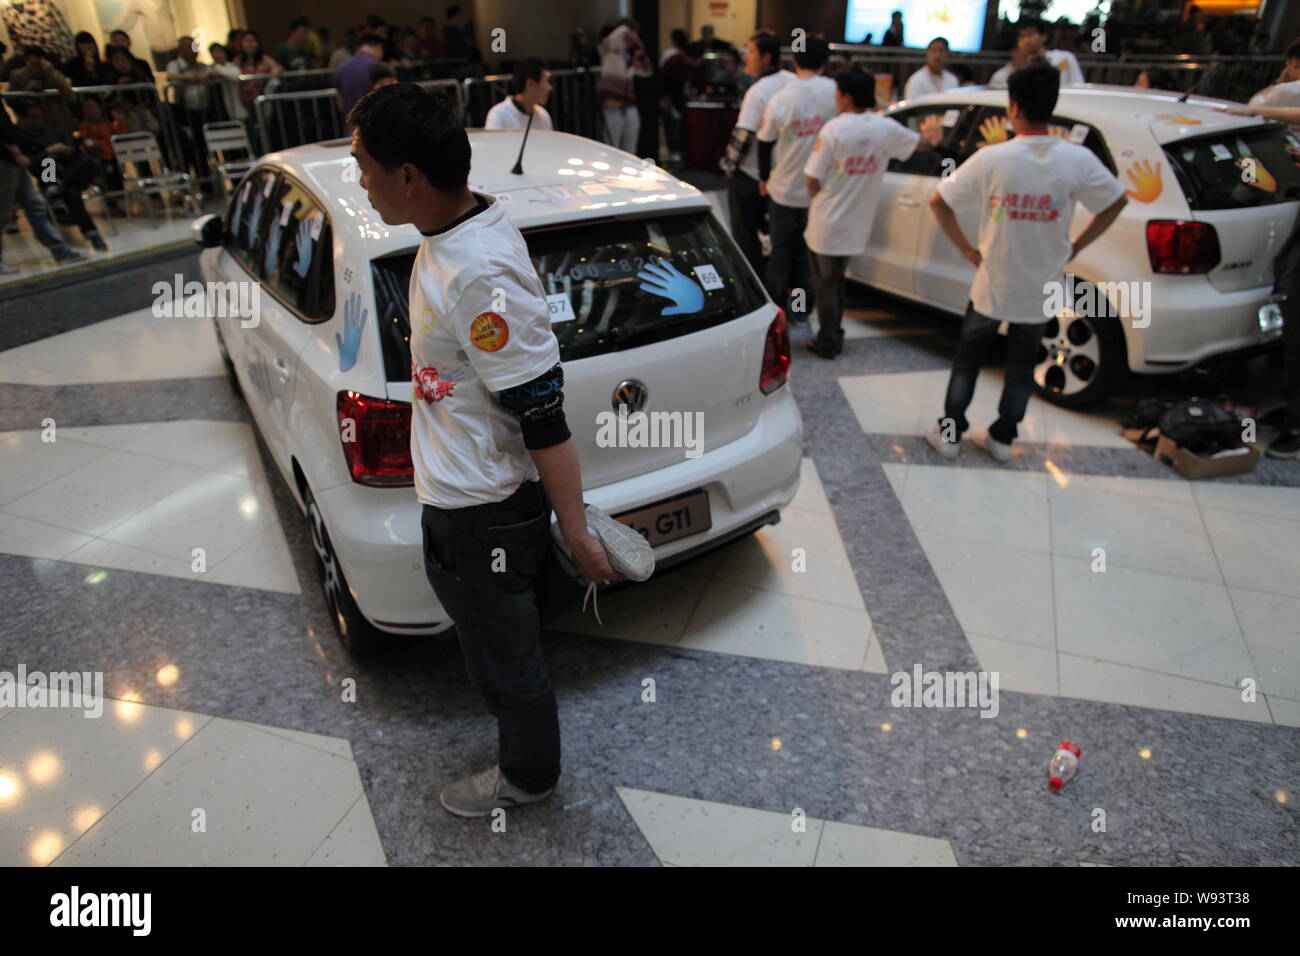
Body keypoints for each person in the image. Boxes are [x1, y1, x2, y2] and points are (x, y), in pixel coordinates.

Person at [347, 83, 619, 816]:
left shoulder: (478, 270)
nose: (361, 182)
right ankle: (524, 751)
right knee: (498, 645)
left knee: (505, 661)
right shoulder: (456, 231)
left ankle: (528, 778)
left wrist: (578, 529)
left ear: (410, 176)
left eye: (366, 167)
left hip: (483, 511)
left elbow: (543, 414)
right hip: (467, 498)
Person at [926, 63, 1125, 461]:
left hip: (991, 282)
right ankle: (1002, 439)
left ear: (1013, 106)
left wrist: (966, 248)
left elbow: (939, 201)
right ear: (1051, 105)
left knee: (968, 362)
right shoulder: (1077, 160)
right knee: (1020, 368)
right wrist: (1076, 246)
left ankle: (950, 435)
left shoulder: (993, 159)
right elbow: (1116, 201)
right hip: (1041, 287)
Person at [804, 70, 942, 358]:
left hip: (827, 220)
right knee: (838, 280)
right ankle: (835, 333)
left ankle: (828, 341)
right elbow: (921, 144)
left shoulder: (834, 129)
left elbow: (812, 177)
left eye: (838, 92)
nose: (835, 98)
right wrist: (934, 136)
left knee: (826, 284)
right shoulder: (884, 128)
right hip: (856, 223)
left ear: (848, 96)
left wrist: (820, 199)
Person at [756, 36, 836, 319]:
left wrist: (763, 177)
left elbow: (764, 142)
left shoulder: (782, 98)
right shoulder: (835, 92)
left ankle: (775, 311)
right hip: (819, 190)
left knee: (779, 252)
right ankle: (801, 310)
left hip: (783, 188)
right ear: (824, 63)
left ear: (795, 62)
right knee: (806, 256)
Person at [719, 32, 793, 277]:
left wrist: (729, 166)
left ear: (766, 57)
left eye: (751, 52)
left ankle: (753, 285)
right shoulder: (792, 81)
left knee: (745, 235)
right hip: (784, 173)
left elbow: (744, 136)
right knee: (781, 237)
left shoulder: (758, 91)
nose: (746, 57)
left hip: (751, 174)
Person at [0, 101, 86, 272]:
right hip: (5, 160)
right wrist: (15, 153)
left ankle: (60, 251)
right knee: (2, 212)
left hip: (11, 159)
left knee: (35, 205)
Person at [13, 98, 107, 252]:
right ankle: (91, 232)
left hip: (67, 171)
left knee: (85, 161)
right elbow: (29, 164)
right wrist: (49, 152)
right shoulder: (19, 137)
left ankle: (60, 184)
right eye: (33, 117)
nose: (38, 121)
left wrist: (65, 150)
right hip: (47, 174)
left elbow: (69, 147)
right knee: (70, 191)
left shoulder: (49, 130)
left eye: (40, 116)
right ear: (22, 118)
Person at [597, 19, 650, 153]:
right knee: (611, 150)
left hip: (629, 105)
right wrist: (625, 31)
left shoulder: (630, 57)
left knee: (630, 151)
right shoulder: (611, 50)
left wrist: (639, 50)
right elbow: (610, 40)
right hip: (613, 106)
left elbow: (646, 71)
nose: (635, 38)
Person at [989, 19, 1084, 87]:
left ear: (1044, 36)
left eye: (1030, 34)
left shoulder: (1064, 58)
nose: (1026, 40)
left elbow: (1079, 87)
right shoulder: (1011, 72)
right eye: (1022, 37)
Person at [484, 58, 553, 131]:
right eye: (546, 81)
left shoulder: (543, 115)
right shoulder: (498, 114)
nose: (549, 88)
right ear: (530, 83)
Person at [336, 33, 386, 124]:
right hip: (374, 125)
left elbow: (340, 105)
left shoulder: (341, 68)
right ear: (378, 48)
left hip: (351, 128)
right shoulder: (378, 67)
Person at [660, 29, 690, 166]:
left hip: (671, 96)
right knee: (674, 124)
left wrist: (665, 97)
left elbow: (664, 79)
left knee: (672, 125)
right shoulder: (682, 56)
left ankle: (675, 153)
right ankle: (677, 152)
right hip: (678, 96)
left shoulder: (670, 55)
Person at [8, 47, 76, 103]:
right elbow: (11, 100)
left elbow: (71, 97)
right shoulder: (17, 76)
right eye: (33, 63)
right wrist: (26, 91)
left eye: (39, 63)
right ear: (26, 61)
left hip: (54, 114)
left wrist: (52, 73)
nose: (37, 68)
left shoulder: (52, 75)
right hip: (30, 116)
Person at [1248, 38, 1300, 110]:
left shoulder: (1286, 89)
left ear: (1295, 63)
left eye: (1287, 65)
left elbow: (1253, 106)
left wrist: (1279, 81)